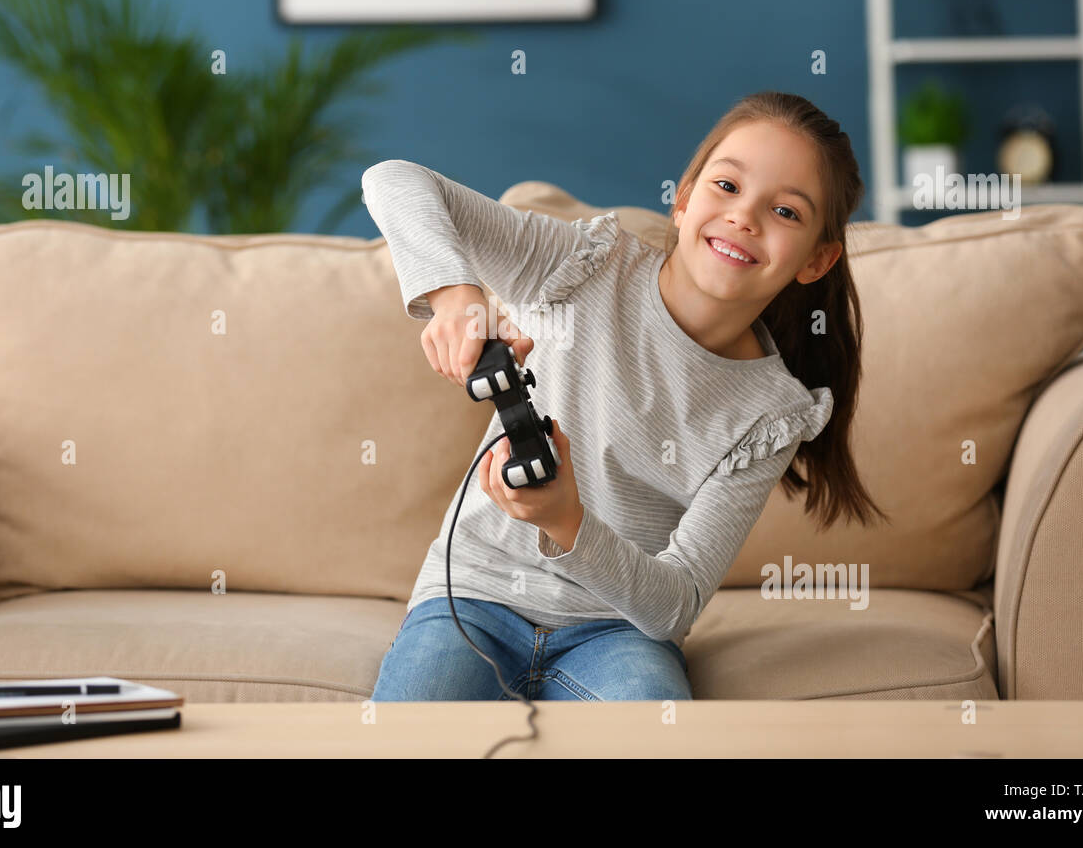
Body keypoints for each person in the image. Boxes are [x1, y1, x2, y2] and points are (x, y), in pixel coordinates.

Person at [362, 90, 888, 703]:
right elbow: (392, 179)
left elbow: (675, 607)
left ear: (817, 260)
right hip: (473, 598)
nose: (745, 217)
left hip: (617, 634)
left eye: (787, 213)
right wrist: (458, 298)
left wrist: (568, 523)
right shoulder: (584, 266)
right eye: (726, 186)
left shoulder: (770, 413)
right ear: (684, 198)